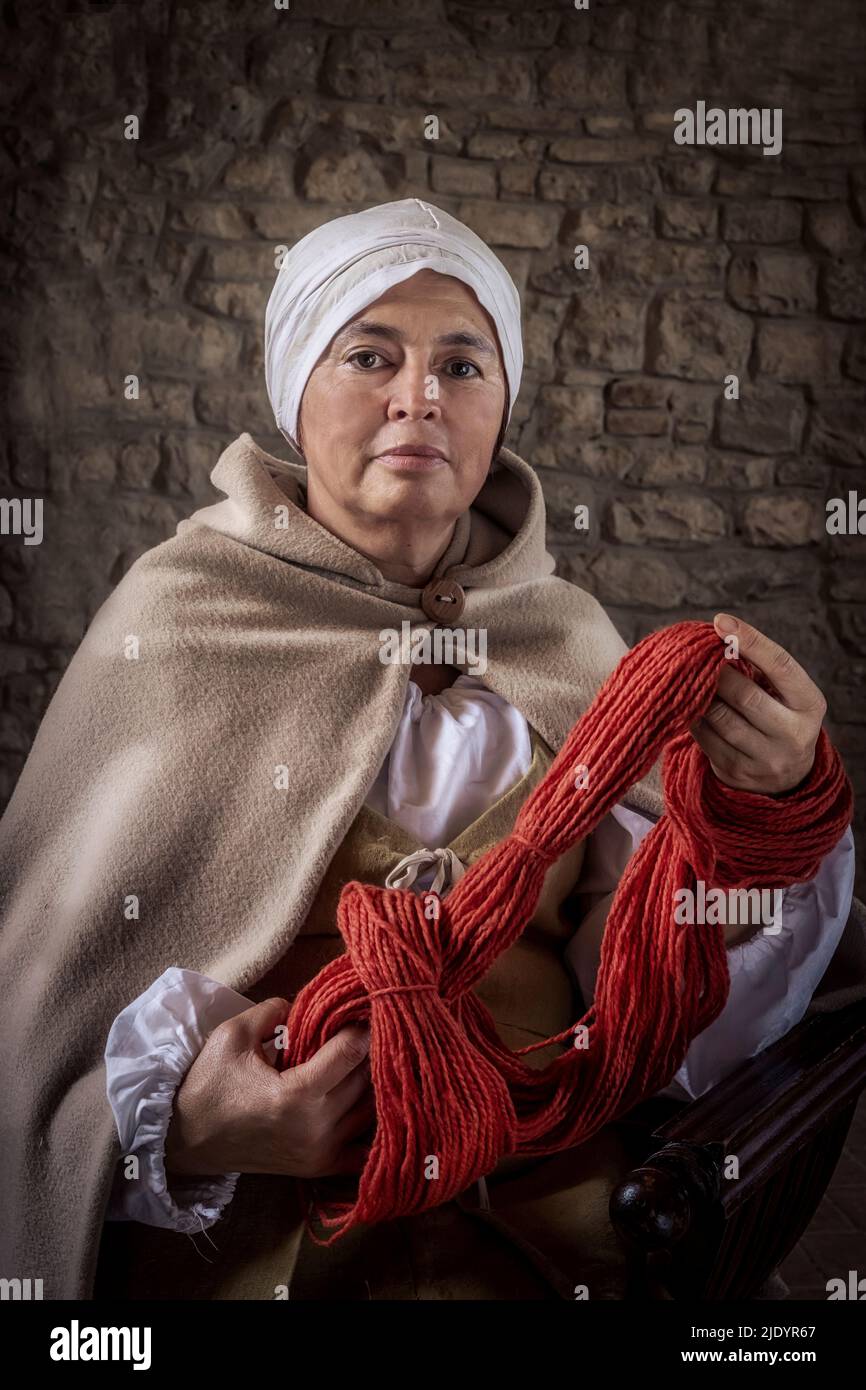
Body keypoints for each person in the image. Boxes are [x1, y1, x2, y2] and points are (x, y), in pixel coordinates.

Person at [0, 199, 862, 1302]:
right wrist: (186, 1131)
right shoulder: (175, 621)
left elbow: (667, 985)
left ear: (500, 407)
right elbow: (36, 1018)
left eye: (462, 364)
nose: (419, 396)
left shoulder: (568, 640)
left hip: (551, 1227)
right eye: (368, 355)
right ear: (292, 393)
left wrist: (767, 808)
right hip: (246, 1247)